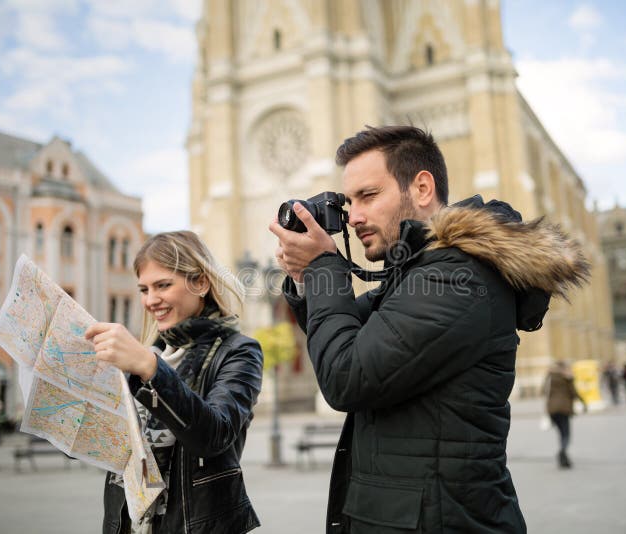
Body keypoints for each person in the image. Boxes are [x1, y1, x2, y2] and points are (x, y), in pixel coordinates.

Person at [269, 125, 590, 533]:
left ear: (421, 189)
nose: (353, 218)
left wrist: (323, 267)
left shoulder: (459, 277)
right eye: (348, 202)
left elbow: (345, 376)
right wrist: (304, 276)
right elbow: (341, 330)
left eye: (368, 196)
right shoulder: (418, 275)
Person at [85, 231, 263, 534]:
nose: (151, 300)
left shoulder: (238, 351)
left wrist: (150, 369)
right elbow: (101, 445)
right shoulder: (145, 352)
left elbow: (214, 435)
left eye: (163, 285)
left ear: (200, 283)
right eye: (144, 289)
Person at [543, 361, 587, 469]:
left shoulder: (550, 376)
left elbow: (543, 391)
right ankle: (563, 452)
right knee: (566, 433)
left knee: (561, 433)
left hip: (552, 409)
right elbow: (574, 392)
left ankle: (563, 456)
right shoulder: (567, 377)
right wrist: (583, 402)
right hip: (564, 408)